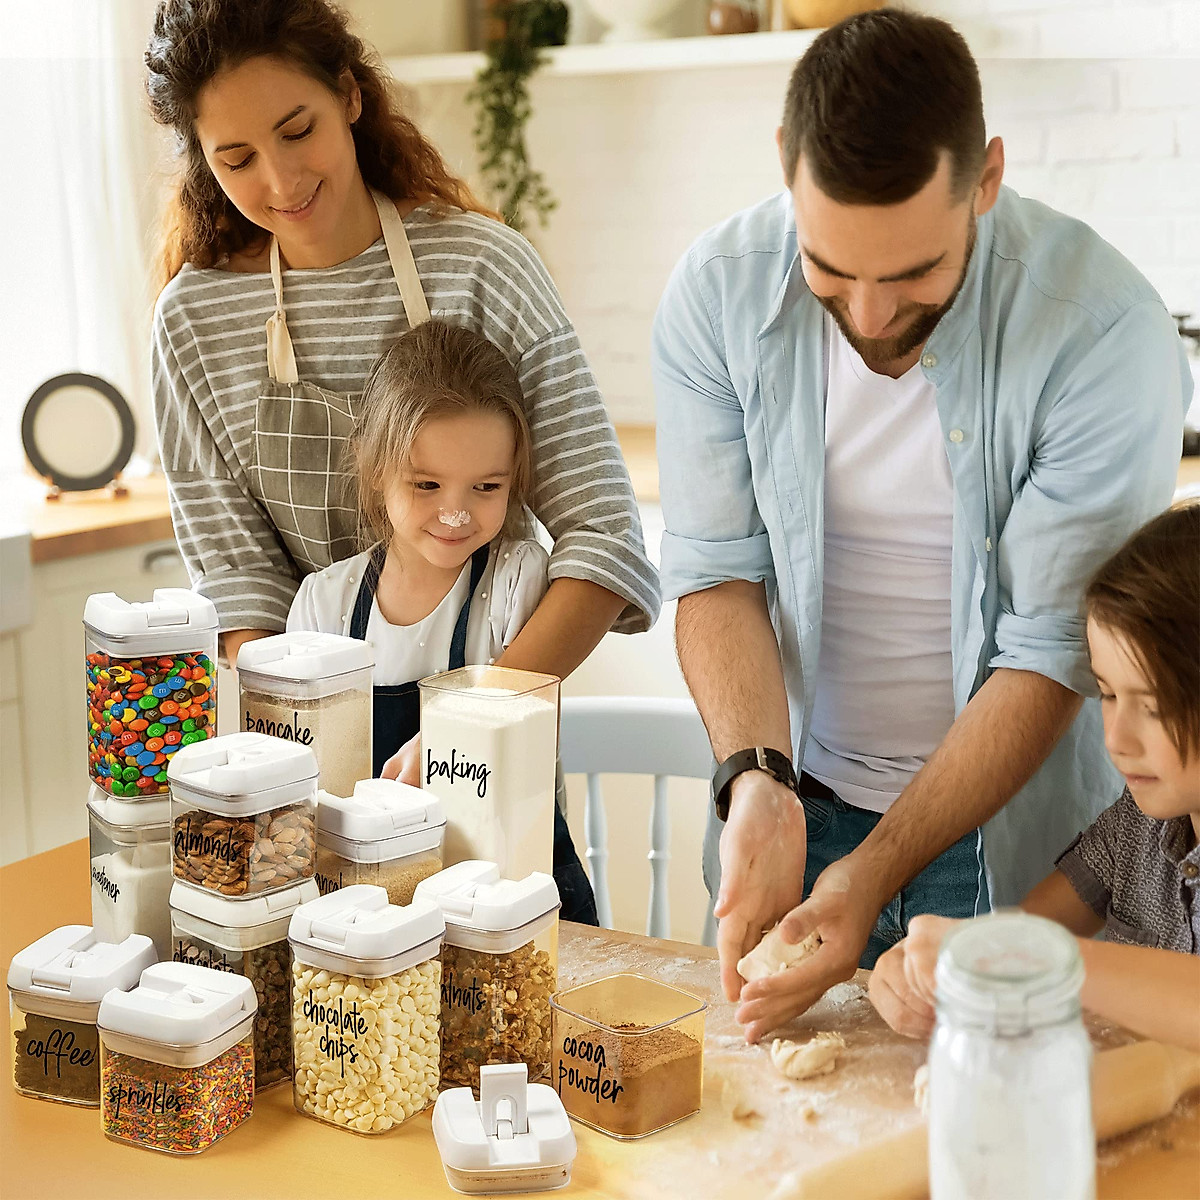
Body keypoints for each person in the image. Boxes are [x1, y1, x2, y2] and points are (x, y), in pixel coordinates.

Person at [651, 8, 1191, 1043]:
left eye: (910, 276)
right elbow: (717, 572)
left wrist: (876, 871)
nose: (867, 315)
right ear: (785, 163)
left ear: (985, 179)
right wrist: (755, 781)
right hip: (795, 805)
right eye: (830, 270)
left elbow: (1048, 652)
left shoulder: (1102, 333)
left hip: (1021, 843)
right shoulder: (717, 294)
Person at [144, 0, 660, 795]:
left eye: (298, 130)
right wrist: (322, 757)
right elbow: (242, 585)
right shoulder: (193, 323)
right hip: (308, 761)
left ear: (350, 94)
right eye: (237, 158)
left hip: (489, 760)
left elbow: (606, 540)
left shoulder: (483, 268)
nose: (281, 181)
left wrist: (471, 726)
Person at [287, 318, 598, 922]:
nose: (455, 513)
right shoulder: (325, 605)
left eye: (486, 487)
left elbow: (529, 742)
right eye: (427, 484)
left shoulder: (515, 582)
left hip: (510, 906)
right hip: (374, 913)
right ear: (375, 471)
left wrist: (452, 739)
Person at [870, 505, 1200, 1051]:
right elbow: (1024, 933)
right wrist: (932, 965)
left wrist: (1029, 957)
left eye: (1154, 706)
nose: (1117, 738)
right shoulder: (1136, 826)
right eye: (1108, 695)